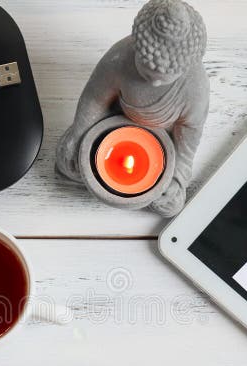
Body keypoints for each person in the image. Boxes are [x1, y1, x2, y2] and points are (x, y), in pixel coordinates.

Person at [56, 0, 209, 217]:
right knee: (67, 162)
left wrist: (177, 177)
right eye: (147, 74)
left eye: (165, 78)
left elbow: (189, 132)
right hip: (114, 120)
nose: (154, 83)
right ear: (136, 46)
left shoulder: (196, 87)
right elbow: (95, 98)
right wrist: (79, 133)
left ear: (187, 66)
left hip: (161, 139)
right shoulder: (120, 57)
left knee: (170, 205)